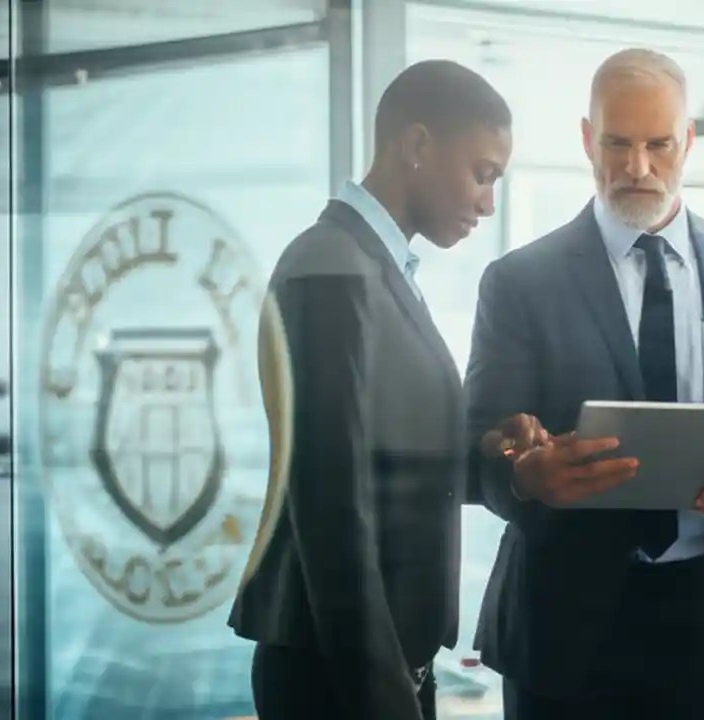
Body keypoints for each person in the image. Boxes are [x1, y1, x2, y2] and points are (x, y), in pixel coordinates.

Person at [466, 48, 704, 720]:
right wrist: (524, 474)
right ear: (588, 139)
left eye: (659, 145)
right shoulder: (518, 283)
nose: (638, 168)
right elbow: (475, 442)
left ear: (688, 141)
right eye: (618, 144)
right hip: (564, 626)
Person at [228, 59, 513, 720]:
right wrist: (385, 698)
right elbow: (330, 508)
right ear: (416, 146)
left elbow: (385, 464)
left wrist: (496, 454)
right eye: (483, 173)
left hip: (375, 666)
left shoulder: (371, 267)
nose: (487, 202)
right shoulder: (331, 270)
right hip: (340, 675)